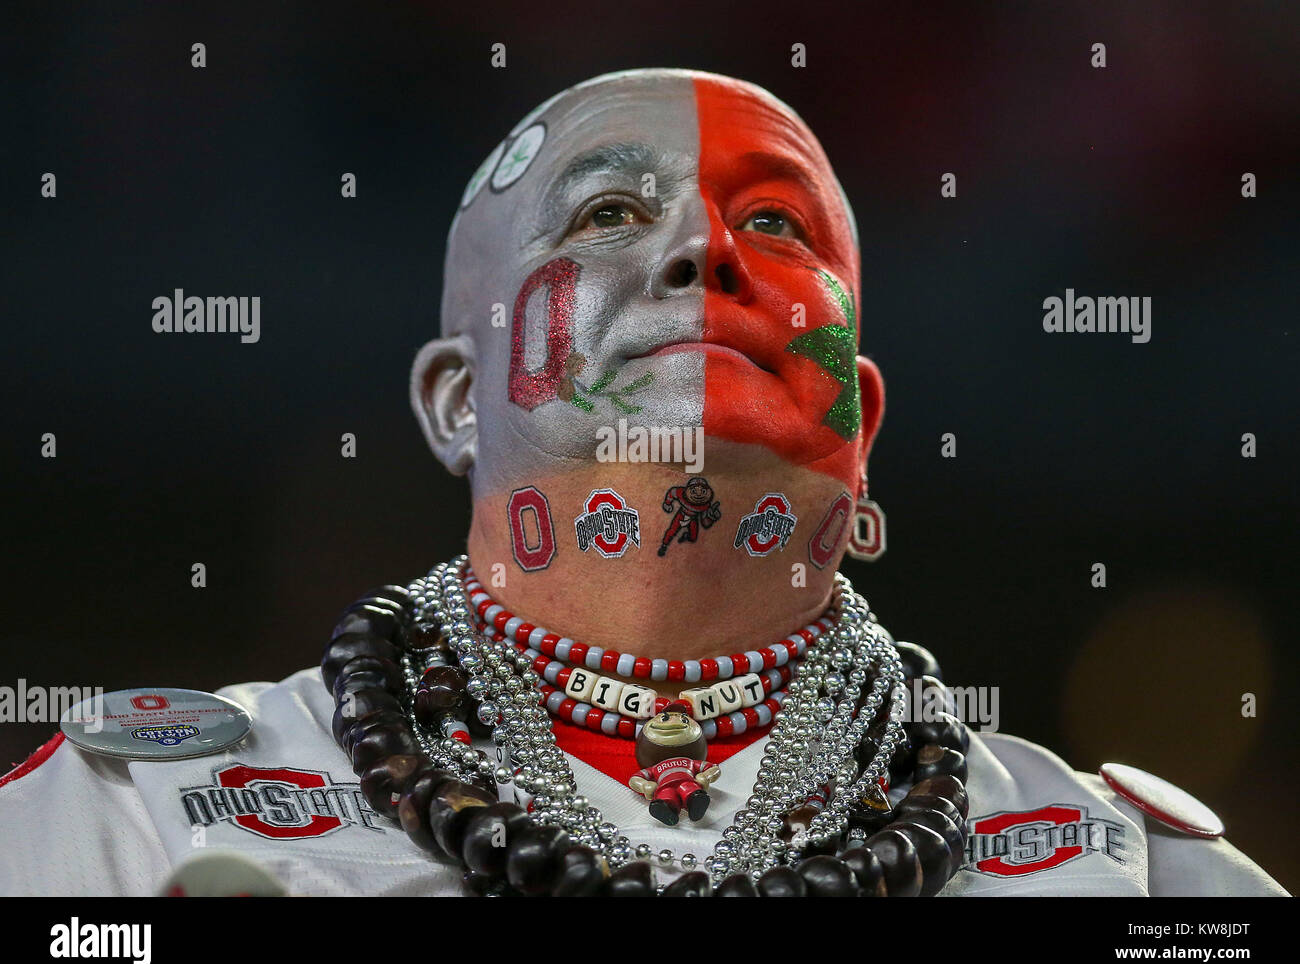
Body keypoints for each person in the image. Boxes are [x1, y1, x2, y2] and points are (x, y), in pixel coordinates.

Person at [0, 69, 1286, 897]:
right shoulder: (137, 814)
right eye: (608, 213)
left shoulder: (1131, 878)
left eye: (774, 223)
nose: (700, 246)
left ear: (864, 418)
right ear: (455, 399)